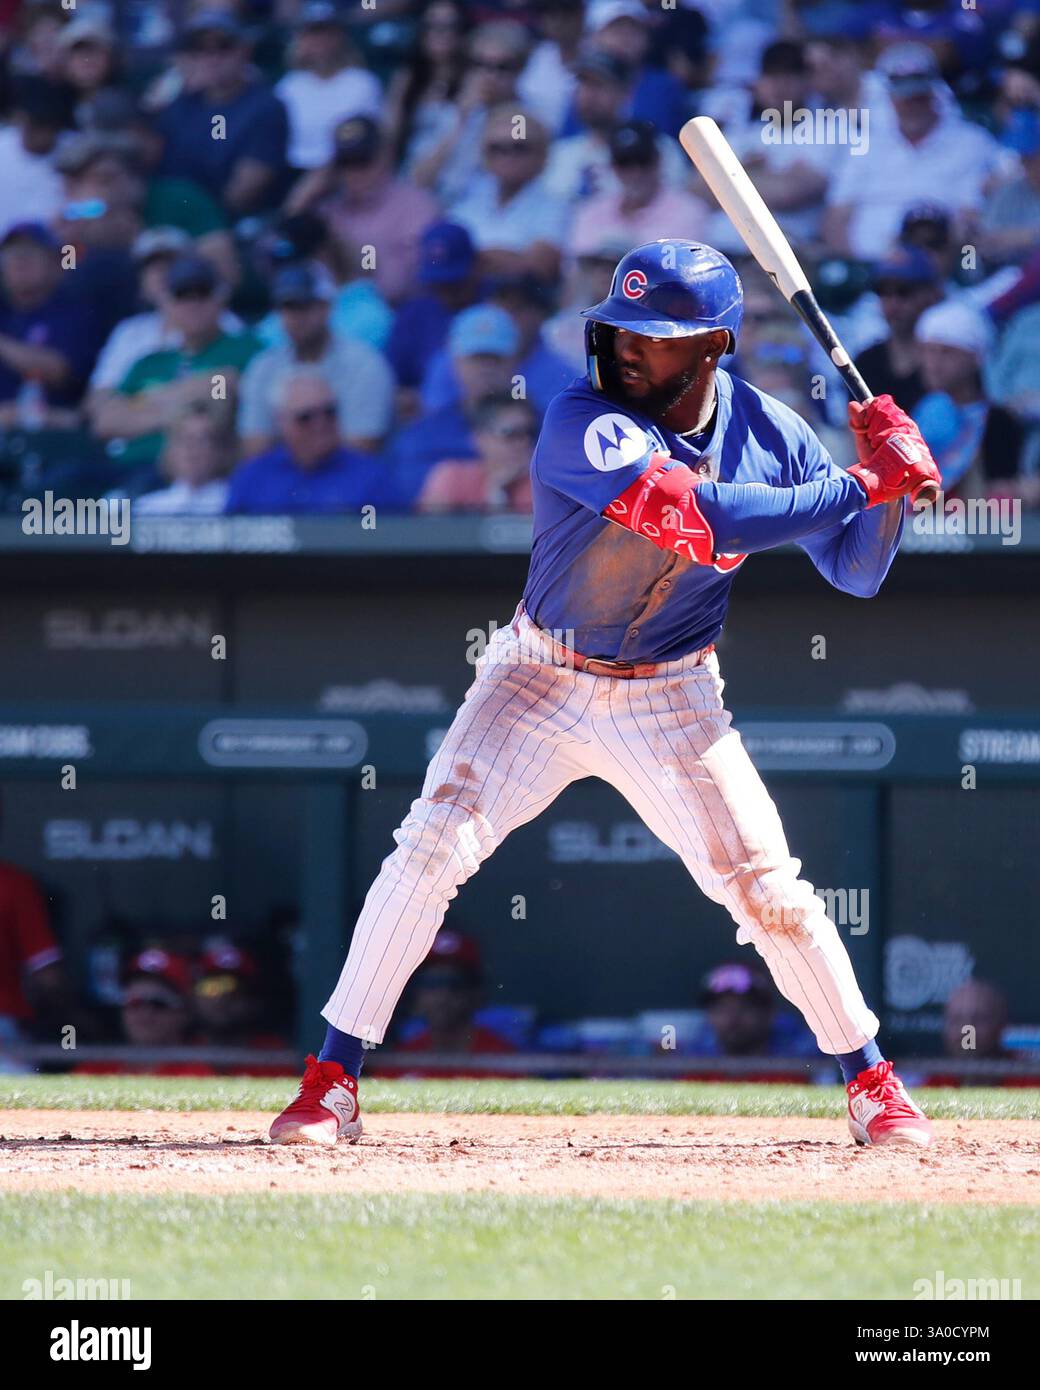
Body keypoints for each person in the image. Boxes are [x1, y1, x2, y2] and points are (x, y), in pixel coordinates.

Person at [268, 239, 941, 1150]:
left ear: (713, 346)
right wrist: (864, 479)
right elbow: (696, 522)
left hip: (673, 694)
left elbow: (858, 572)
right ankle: (329, 1083)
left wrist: (886, 489)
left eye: (655, 339)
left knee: (767, 887)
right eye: (620, 332)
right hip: (537, 676)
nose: (628, 350)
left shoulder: (772, 431)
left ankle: (874, 1086)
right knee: (430, 846)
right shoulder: (582, 419)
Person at [824, 42, 1010, 260]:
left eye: (918, 96)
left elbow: (968, 218)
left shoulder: (971, 142)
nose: (911, 105)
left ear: (933, 92)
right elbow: (835, 217)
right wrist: (854, 267)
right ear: (890, 98)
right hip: (865, 269)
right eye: (903, 98)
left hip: (934, 269)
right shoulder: (865, 144)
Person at [91, 254, 260, 480]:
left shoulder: (244, 348)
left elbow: (220, 389)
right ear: (167, 304)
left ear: (219, 299)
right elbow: (106, 421)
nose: (193, 304)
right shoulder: (150, 361)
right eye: (182, 296)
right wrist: (182, 409)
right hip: (125, 465)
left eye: (202, 293)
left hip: (186, 472)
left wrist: (144, 402)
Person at [238, 263, 394, 457]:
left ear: (325, 307)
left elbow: (361, 447)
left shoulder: (363, 363)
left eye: (304, 306)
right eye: (289, 307)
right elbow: (254, 447)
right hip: (281, 478)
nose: (297, 316)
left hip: (346, 480)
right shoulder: (264, 366)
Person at [288, 115, 439, 305]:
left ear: (385, 157)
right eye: (346, 164)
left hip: (397, 315)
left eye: (363, 161)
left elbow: (403, 284)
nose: (355, 173)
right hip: (331, 317)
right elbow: (279, 254)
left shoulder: (416, 206)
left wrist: (360, 256)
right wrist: (301, 199)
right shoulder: (329, 210)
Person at [153, 10, 289, 217]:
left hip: (237, 222)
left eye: (223, 47)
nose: (211, 58)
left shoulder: (266, 106)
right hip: (179, 217)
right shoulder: (180, 105)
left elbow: (243, 194)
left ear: (244, 51)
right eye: (199, 49)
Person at [383, 303, 520, 503]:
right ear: (455, 362)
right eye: (476, 358)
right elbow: (411, 512)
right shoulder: (422, 437)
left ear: (514, 362)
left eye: (495, 359)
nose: (486, 368)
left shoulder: (538, 428)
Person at [225, 367, 401, 515]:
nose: (320, 423)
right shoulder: (253, 477)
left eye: (329, 412)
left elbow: (387, 542)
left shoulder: (371, 478)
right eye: (305, 417)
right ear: (281, 422)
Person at [913, 299, 1024, 496]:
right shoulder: (925, 409)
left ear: (976, 357)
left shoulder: (997, 421)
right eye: (928, 351)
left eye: (947, 352)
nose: (933, 363)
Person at [448, 106, 570, 284]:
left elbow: (538, 266)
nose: (508, 156)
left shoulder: (556, 204)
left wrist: (471, 258)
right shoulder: (469, 198)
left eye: (519, 147)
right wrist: (504, 257)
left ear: (542, 155)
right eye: (497, 148)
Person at [569, 119, 710, 263]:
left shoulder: (690, 212)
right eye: (625, 162)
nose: (635, 173)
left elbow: (684, 274)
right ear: (612, 166)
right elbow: (577, 272)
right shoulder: (590, 212)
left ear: (658, 160)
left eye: (643, 161)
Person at [0, 221, 96, 426]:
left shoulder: (74, 311)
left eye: (31, 252)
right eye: (11, 253)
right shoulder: (4, 313)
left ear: (55, 264)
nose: (19, 259)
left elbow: (58, 370)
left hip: (53, 431)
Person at [385, 930, 518, 1078]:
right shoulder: (401, 1060)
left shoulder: (502, 1060)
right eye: (431, 984)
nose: (442, 996)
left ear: (475, 992)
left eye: (454, 983)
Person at [386, 221, 484, 409]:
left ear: (476, 266)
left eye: (454, 282)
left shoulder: (497, 304)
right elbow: (394, 382)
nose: (446, 291)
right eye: (439, 283)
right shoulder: (413, 315)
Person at [275, 2, 382, 174]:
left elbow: (366, 140)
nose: (320, 40)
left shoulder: (362, 82)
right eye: (312, 33)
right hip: (293, 172)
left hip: (346, 171)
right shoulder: (289, 86)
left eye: (326, 32)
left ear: (340, 36)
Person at [75, 948, 215, 1077]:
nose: (145, 1013)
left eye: (159, 1004)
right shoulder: (97, 1068)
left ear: (185, 1013)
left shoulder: (197, 1072)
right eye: (135, 1003)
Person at [854, 247, 941, 415]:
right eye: (883, 291)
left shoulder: (948, 358)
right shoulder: (866, 362)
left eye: (904, 291)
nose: (893, 303)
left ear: (931, 294)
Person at [416, 393, 536, 513]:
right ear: (479, 439)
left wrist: (499, 494)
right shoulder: (452, 477)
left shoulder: (540, 486)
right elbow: (430, 527)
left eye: (529, 433)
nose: (523, 443)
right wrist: (496, 491)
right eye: (511, 434)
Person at [134, 402, 232, 515]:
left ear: (220, 450)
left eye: (202, 440)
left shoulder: (234, 505)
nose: (191, 449)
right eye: (184, 439)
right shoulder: (147, 508)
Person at [0, 76, 67, 237]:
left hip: (59, 249)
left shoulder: (77, 152)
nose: (42, 132)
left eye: (49, 123)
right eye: (36, 122)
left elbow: (94, 206)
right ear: (19, 118)